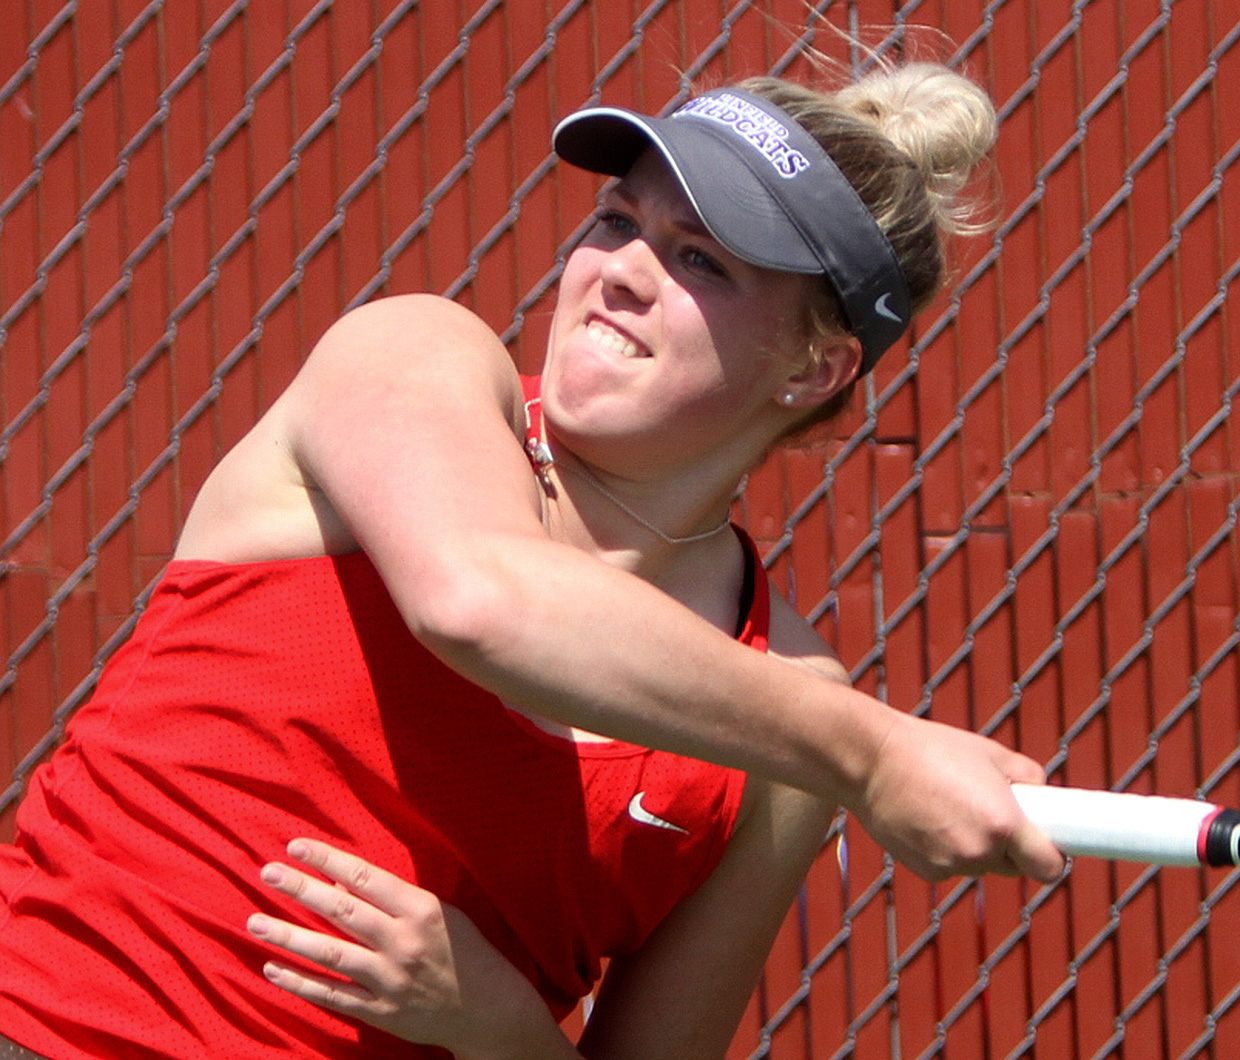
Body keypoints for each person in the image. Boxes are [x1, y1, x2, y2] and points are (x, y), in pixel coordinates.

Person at [0, 59, 1063, 1060]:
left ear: (813, 367)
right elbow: (481, 602)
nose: (622, 273)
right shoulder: (415, 357)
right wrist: (874, 751)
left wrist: (497, 1025)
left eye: (701, 259)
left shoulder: (789, 721)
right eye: (616, 220)